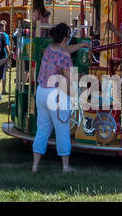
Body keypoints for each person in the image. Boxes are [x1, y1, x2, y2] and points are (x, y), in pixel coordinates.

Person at [31, 23, 91, 174]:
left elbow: (65, 49)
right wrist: (82, 76)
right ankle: (65, 167)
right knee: (62, 130)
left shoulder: (50, 49)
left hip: (41, 92)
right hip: (56, 95)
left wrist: (81, 45)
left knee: (42, 130)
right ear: (65, 38)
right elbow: (70, 78)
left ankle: (35, 165)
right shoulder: (64, 55)